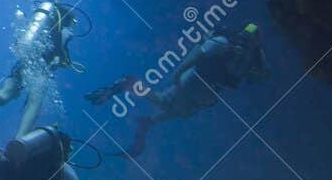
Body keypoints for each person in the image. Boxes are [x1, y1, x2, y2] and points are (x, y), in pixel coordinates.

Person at [110, 23, 269, 158]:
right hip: (205, 89)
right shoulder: (245, 59)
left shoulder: (224, 43)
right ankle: (135, 93)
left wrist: (179, 72)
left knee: (176, 108)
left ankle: (143, 110)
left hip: (198, 83)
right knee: (172, 106)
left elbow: (197, 54)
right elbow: (257, 76)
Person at [0, 0, 86, 138]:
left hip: (22, 63)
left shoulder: (45, 23)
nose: (72, 28)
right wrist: (63, 60)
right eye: (72, 24)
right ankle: (19, 140)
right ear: (67, 20)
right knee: (35, 101)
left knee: (2, 97)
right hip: (39, 66)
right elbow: (61, 58)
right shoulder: (64, 31)